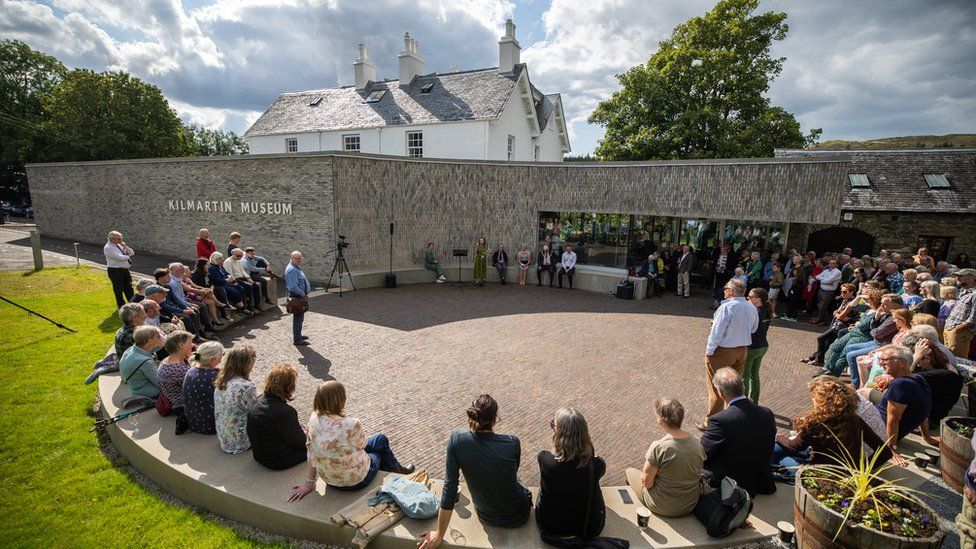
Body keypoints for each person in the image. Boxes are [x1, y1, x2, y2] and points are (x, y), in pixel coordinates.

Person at [418, 395, 531, 548]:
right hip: (518, 516)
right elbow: (512, 472)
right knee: (519, 482)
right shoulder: (512, 442)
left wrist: (439, 534)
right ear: (494, 420)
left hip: (486, 515)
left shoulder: (456, 440)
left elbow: (450, 488)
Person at [289, 381, 413, 499]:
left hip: (330, 480)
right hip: (357, 481)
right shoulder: (351, 424)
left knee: (378, 441)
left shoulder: (313, 419)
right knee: (379, 446)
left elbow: (311, 453)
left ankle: (397, 472)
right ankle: (398, 474)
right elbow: (362, 445)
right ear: (339, 400)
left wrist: (309, 483)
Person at [773, 377, 890, 470]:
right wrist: (860, 471)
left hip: (822, 472)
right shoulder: (854, 419)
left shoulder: (815, 423)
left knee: (776, 451)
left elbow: (794, 447)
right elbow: (885, 452)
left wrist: (778, 437)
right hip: (847, 470)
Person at [701, 368, 776, 497]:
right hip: (760, 480)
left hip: (732, 484)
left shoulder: (720, 420)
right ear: (742, 387)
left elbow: (702, 452)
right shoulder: (767, 413)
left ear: (721, 393)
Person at [625, 398, 704, 517]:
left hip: (662, 506)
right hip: (689, 504)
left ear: (661, 420)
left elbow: (647, 483)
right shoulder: (696, 443)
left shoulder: (659, 447)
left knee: (629, 472)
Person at [535, 408, 606, 539]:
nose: (552, 428)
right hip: (588, 529)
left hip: (550, 527)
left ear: (560, 433)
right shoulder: (595, 465)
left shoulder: (544, 459)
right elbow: (600, 469)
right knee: (595, 486)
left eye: (553, 425)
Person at [699, 279, 758, 429]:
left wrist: (709, 352)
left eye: (725, 288)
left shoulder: (726, 308)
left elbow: (716, 332)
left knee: (716, 387)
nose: (724, 291)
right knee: (734, 387)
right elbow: (753, 329)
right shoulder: (751, 307)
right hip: (742, 350)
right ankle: (732, 418)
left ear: (731, 291)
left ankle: (711, 423)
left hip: (723, 351)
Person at [858, 345, 932, 464]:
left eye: (885, 360)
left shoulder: (899, 385)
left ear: (902, 363)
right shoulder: (919, 379)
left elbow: (893, 419)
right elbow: (924, 411)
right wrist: (926, 437)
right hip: (879, 422)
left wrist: (891, 449)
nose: (881, 363)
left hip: (876, 431)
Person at [247, 364, 307, 470]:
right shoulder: (285, 412)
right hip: (276, 460)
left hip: (260, 455)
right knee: (318, 445)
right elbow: (301, 442)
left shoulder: (260, 400)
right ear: (289, 386)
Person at [817, 289, 884, 378]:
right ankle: (827, 368)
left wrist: (858, 323)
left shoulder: (877, 312)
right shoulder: (868, 309)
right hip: (853, 332)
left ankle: (833, 376)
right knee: (834, 346)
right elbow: (852, 306)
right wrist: (859, 297)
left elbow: (863, 326)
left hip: (863, 336)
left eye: (867, 299)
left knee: (843, 355)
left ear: (873, 300)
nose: (865, 301)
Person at [802, 284, 860, 367]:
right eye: (841, 292)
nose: (842, 294)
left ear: (851, 292)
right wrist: (838, 314)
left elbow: (840, 316)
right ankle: (814, 357)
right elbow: (839, 314)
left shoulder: (850, 303)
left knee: (821, 338)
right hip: (837, 325)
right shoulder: (844, 301)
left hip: (842, 327)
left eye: (845, 292)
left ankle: (819, 359)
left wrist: (836, 314)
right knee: (827, 343)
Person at [213, 345, 257, 454]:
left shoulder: (222, 381)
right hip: (242, 440)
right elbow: (255, 412)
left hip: (225, 438)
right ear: (246, 364)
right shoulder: (245, 386)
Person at [182, 342, 223, 435]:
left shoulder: (190, 370)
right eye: (221, 355)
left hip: (194, 422)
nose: (221, 360)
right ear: (214, 358)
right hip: (211, 425)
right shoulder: (215, 376)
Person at [118, 326, 163, 399]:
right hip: (145, 391)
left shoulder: (132, 349)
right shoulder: (145, 362)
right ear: (150, 341)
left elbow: (149, 349)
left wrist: (161, 345)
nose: (160, 337)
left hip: (134, 386)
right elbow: (160, 383)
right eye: (158, 336)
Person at [743, 288, 772, 404]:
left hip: (752, 347)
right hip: (763, 346)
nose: (747, 298)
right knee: (754, 374)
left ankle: (743, 403)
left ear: (758, 299)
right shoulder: (767, 310)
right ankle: (754, 401)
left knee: (745, 375)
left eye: (750, 297)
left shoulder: (755, 312)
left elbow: (748, 330)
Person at [157, 330, 194, 415]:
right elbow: (199, 381)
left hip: (171, 399)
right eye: (190, 342)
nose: (192, 345)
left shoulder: (166, 360)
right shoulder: (177, 369)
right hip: (181, 405)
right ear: (181, 345)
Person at [944, 268, 976, 359]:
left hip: (960, 332)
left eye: (961, 276)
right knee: (947, 359)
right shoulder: (963, 291)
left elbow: (972, 319)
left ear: (973, 278)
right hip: (950, 328)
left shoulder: (974, 294)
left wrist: (956, 330)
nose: (957, 278)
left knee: (957, 361)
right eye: (957, 276)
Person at [285, 251, 311, 346]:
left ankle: (298, 335)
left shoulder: (296, 267)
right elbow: (292, 286)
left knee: (300, 318)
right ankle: (297, 339)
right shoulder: (292, 270)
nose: (299, 260)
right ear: (291, 258)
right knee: (298, 318)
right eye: (297, 258)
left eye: (300, 258)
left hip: (299, 295)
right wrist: (303, 294)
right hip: (297, 296)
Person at [104, 230, 135, 307]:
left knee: (129, 287)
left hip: (124, 270)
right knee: (119, 288)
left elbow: (132, 252)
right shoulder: (108, 248)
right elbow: (120, 258)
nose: (120, 240)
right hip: (115, 271)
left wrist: (125, 246)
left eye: (120, 238)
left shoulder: (119, 244)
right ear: (112, 239)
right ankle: (121, 305)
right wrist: (127, 256)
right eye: (119, 239)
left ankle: (132, 303)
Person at [814, 259, 842, 325]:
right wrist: (824, 280)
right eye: (830, 263)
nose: (830, 264)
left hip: (828, 292)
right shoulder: (826, 270)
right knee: (820, 305)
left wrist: (823, 280)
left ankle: (821, 320)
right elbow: (817, 277)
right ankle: (822, 319)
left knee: (822, 306)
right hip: (821, 290)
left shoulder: (837, 272)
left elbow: (829, 280)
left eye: (833, 263)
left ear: (836, 265)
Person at [712, 243, 732, 308]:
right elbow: (718, 263)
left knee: (722, 285)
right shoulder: (720, 255)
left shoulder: (727, 256)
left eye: (723, 250)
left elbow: (726, 264)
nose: (721, 251)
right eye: (721, 250)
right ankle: (716, 298)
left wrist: (722, 269)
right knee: (717, 285)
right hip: (719, 272)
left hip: (723, 273)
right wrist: (717, 268)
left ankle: (720, 299)